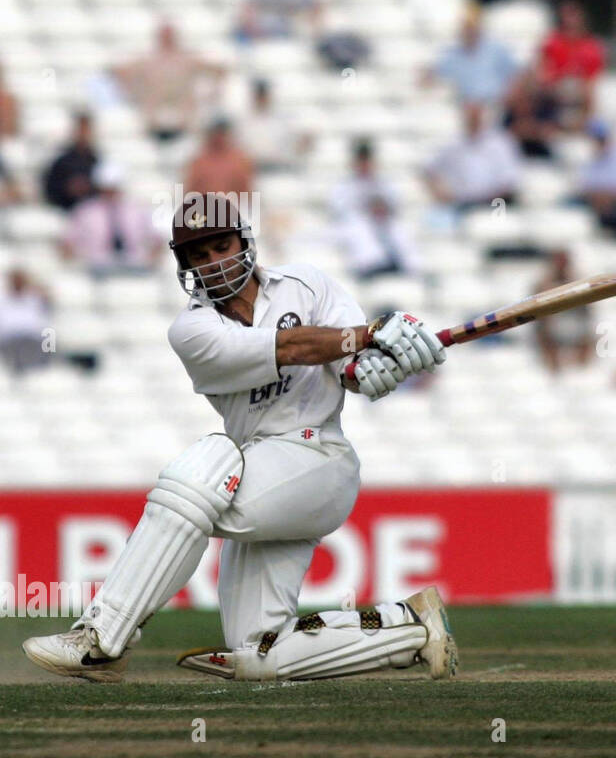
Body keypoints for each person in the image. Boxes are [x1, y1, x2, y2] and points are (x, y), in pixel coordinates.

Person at [22, 193, 456, 683]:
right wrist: (370, 334)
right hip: (260, 476)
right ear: (183, 264)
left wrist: (387, 363)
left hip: (318, 458)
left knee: (202, 468)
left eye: (222, 246)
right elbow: (292, 346)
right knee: (256, 653)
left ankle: (100, 640)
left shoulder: (307, 283)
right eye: (199, 256)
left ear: (244, 241)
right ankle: (410, 628)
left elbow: (351, 369)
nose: (214, 263)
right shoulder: (192, 330)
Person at [113, 23, 224, 143]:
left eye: (169, 35)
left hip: (186, 123)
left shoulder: (187, 59)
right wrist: (132, 94)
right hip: (152, 125)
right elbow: (119, 72)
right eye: (164, 35)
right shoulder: (147, 60)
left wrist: (210, 95)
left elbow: (219, 70)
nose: (167, 38)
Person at [60, 162, 165, 276]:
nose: (110, 193)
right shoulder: (85, 212)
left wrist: (150, 259)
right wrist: (80, 261)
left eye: (113, 189)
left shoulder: (137, 209)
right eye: (106, 189)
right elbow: (67, 243)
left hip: (134, 265)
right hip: (97, 268)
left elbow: (157, 240)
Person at [329, 140, 413, 281]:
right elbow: (340, 211)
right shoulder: (344, 186)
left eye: (367, 161)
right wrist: (367, 210)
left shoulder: (383, 184)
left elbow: (394, 205)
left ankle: (407, 268)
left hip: (382, 225)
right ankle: (370, 266)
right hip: (355, 226)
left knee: (399, 228)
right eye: (362, 161)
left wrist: (381, 208)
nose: (365, 165)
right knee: (359, 228)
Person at [423, 103, 522, 213]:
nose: (473, 120)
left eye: (476, 117)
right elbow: (429, 170)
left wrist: (485, 200)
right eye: (470, 117)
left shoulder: (501, 143)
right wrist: (440, 193)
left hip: (495, 202)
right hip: (462, 204)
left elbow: (509, 182)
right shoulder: (453, 144)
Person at [424, 9, 518, 107]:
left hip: (498, 104)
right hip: (469, 108)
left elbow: (514, 74)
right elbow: (433, 73)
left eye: (471, 27)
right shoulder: (453, 55)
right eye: (465, 28)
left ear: (479, 28)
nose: (469, 32)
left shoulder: (497, 49)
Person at [537, 0, 605, 131]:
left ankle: (584, 124)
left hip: (579, 90)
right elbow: (544, 69)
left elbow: (592, 78)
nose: (570, 21)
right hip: (553, 89)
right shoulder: (551, 43)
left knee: (580, 89)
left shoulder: (592, 46)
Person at [533, 251, 593, 373]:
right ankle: (553, 371)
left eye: (564, 262)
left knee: (588, 335)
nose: (561, 266)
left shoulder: (580, 284)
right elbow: (536, 314)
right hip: (552, 329)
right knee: (544, 332)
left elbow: (587, 313)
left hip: (575, 325)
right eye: (558, 262)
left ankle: (582, 371)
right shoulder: (542, 285)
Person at [242, 79, 311, 173]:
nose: (262, 99)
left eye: (264, 95)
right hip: (253, 168)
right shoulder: (244, 119)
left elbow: (301, 141)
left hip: (278, 168)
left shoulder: (283, 119)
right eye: (259, 96)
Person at [42, 111, 99, 213]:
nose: (84, 134)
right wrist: (68, 189)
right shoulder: (61, 162)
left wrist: (88, 188)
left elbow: (104, 191)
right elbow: (51, 190)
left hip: (92, 213)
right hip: (66, 211)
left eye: (86, 130)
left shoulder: (97, 162)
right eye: (81, 130)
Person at [184, 117, 255, 198]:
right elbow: (190, 191)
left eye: (221, 133)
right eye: (215, 133)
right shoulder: (199, 162)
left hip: (234, 206)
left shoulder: (239, 160)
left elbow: (247, 192)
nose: (218, 137)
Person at [0, 269, 51, 374]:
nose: (18, 283)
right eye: (15, 280)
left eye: (21, 280)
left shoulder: (34, 297)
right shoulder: (3, 298)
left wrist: (34, 287)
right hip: (9, 340)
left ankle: (37, 373)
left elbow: (48, 300)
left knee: (49, 343)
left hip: (31, 339)